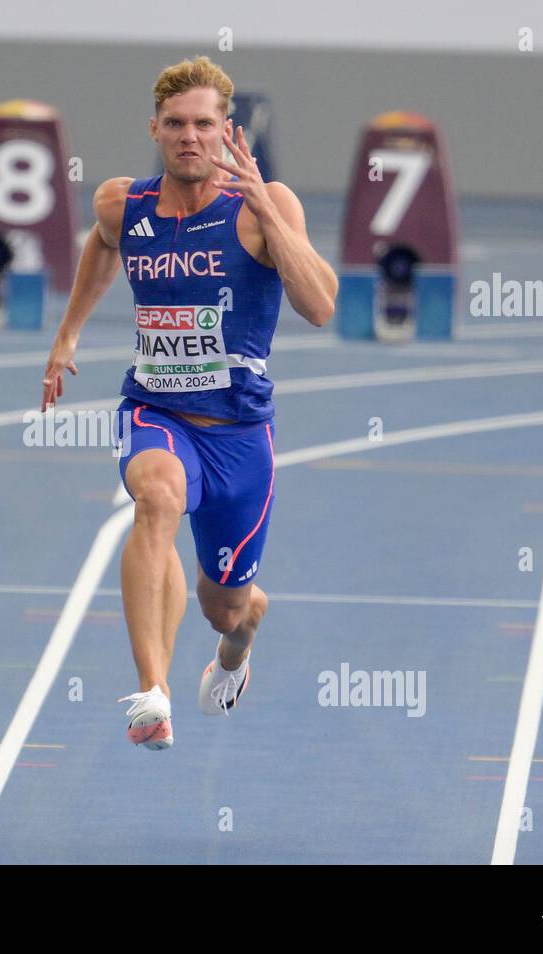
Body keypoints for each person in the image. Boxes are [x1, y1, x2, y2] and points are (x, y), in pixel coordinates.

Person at [41, 57, 337, 749]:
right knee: (156, 499)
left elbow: (320, 306)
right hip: (157, 411)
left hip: (239, 434)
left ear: (225, 131)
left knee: (224, 607)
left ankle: (238, 646)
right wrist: (68, 334)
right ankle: (154, 692)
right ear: (155, 129)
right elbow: (103, 245)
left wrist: (268, 209)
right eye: (175, 124)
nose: (189, 137)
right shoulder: (124, 203)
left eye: (204, 124)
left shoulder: (266, 206)